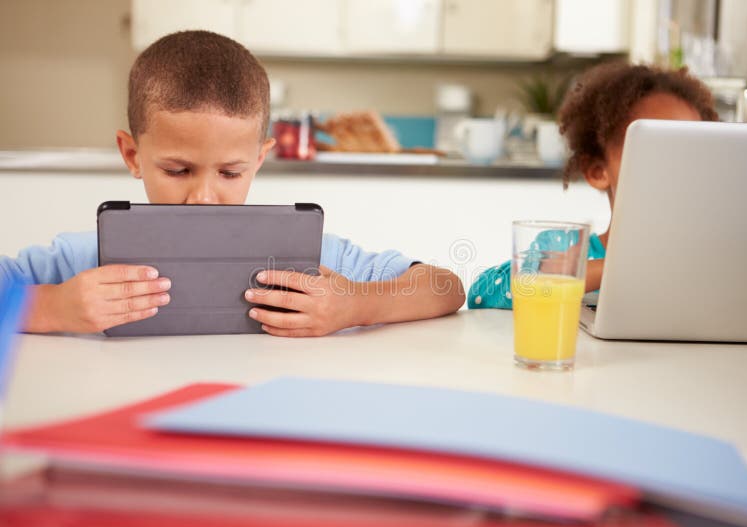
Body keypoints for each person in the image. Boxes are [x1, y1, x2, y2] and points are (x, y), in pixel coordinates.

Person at [0, 30, 465, 336]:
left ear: (258, 160)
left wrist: (356, 304)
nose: (203, 198)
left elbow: (445, 287)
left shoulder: (307, 260)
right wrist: (54, 306)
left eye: (229, 173)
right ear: (132, 156)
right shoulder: (83, 261)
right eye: (178, 170)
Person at [468, 62, 718, 309]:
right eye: (657, 151)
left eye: (692, 153)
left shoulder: (711, 259)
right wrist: (596, 270)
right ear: (598, 172)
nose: (678, 169)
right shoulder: (568, 251)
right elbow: (482, 293)